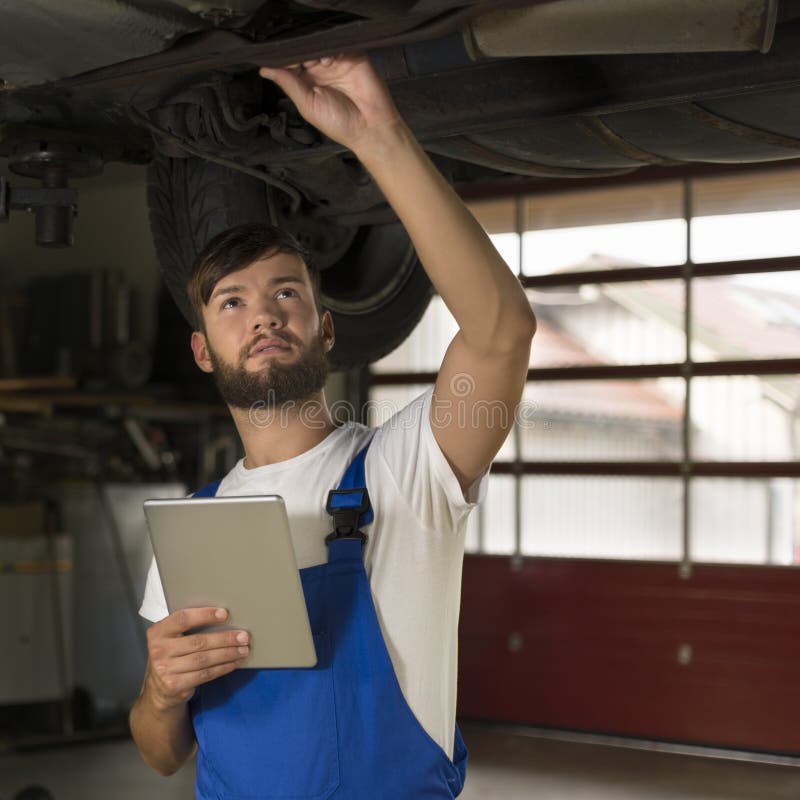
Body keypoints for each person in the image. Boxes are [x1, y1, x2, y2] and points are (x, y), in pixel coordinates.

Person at [130, 52, 535, 798]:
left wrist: (379, 136)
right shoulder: (192, 530)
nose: (263, 313)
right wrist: (160, 692)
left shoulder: (407, 473)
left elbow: (502, 330)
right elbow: (160, 753)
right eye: (232, 302)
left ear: (323, 332)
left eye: (287, 292)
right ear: (202, 350)